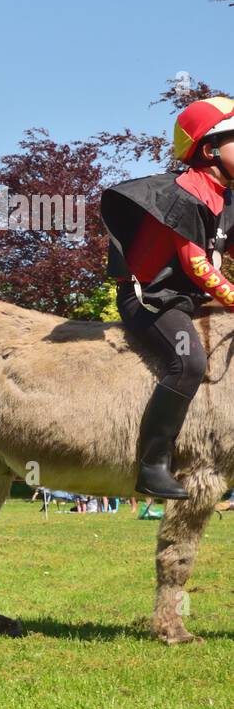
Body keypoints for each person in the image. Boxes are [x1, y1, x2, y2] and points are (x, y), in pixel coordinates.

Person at [102, 96, 234, 500]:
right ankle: (152, 465)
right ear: (210, 149)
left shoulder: (228, 198)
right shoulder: (182, 193)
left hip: (188, 299)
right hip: (152, 299)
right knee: (188, 361)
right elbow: (196, 265)